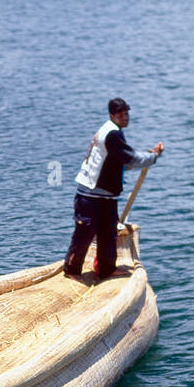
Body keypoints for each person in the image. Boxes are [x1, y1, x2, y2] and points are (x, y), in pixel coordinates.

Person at [64, 99, 164, 279]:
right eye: (120, 115)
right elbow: (130, 158)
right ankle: (72, 270)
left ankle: (105, 269)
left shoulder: (113, 132)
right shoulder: (111, 134)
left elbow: (119, 162)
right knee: (84, 233)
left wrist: (149, 157)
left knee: (108, 232)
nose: (125, 118)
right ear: (112, 116)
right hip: (90, 194)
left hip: (106, 195)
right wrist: (153, 156)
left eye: (126, 114)